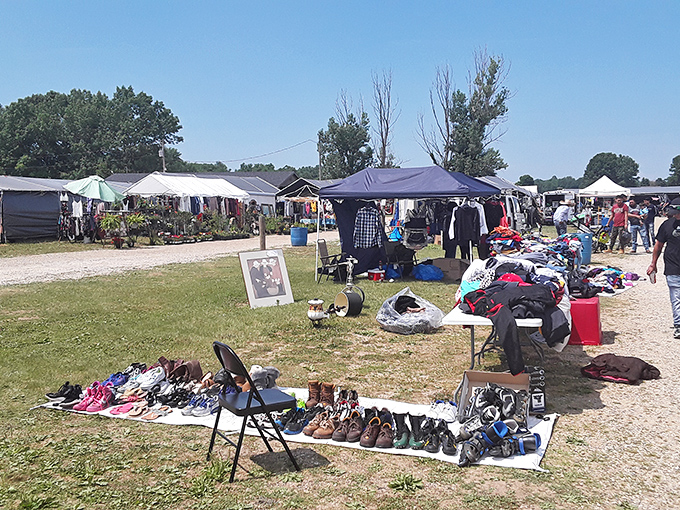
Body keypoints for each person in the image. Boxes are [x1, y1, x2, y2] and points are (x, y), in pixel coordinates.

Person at [647, 197, 680, 339]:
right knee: (676, 297)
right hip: (673, 267)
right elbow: (658, 246)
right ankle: (678, 325)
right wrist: (653, 264)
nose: (674, 215)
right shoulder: (667, 225)